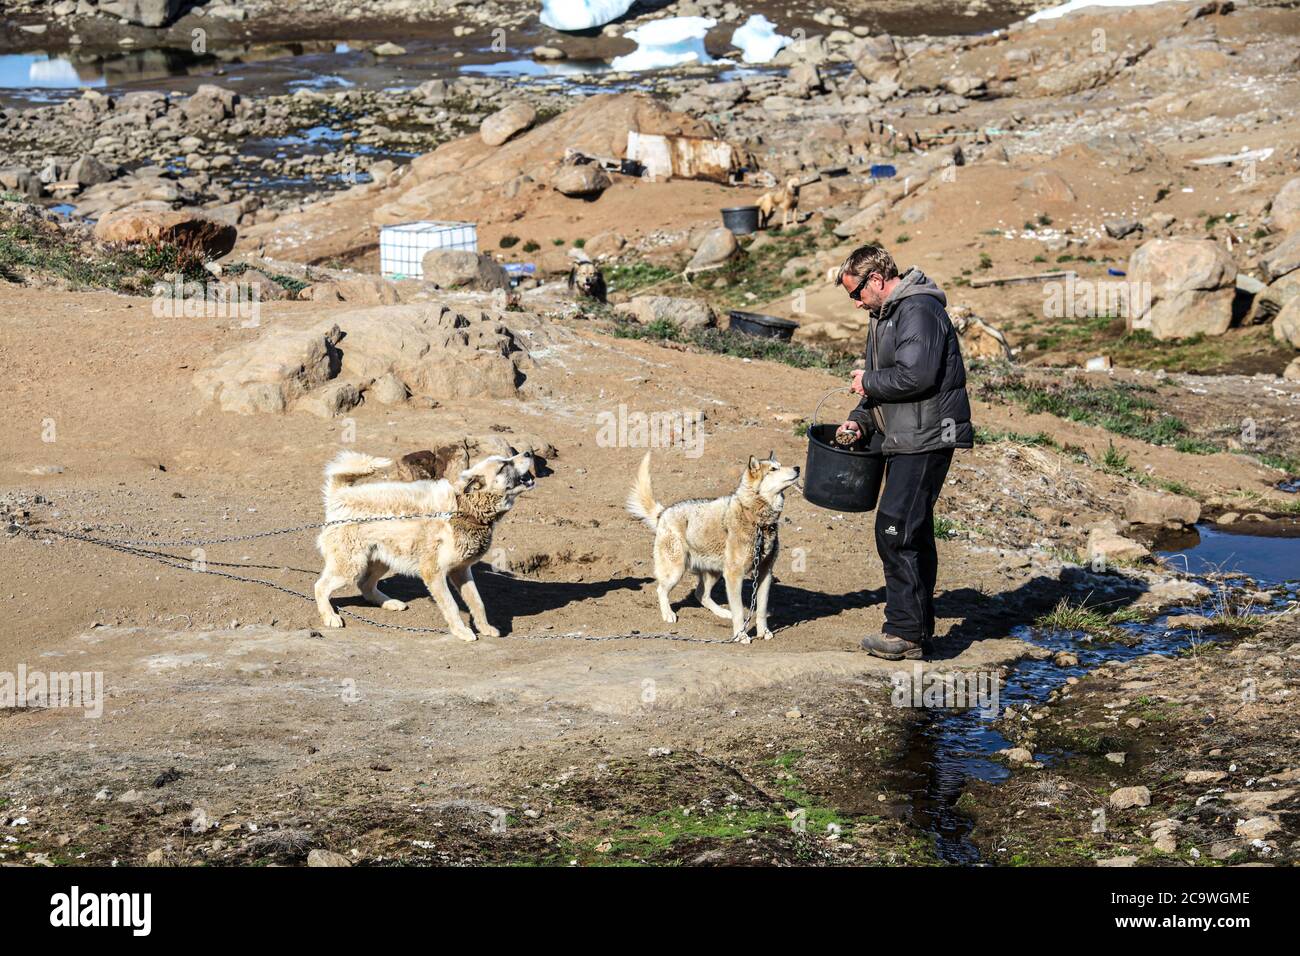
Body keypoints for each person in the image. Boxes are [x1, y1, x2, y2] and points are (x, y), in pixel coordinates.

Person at [834, 244, 973, 661]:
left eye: (856, 293)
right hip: (905, 435)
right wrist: (858, 418)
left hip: (927, 436)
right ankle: (916, 627)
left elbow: (916, 375)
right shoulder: (883, 315)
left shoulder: (917, 310)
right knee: (912, 528)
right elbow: (879, 384)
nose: (855, 302)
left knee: (895, 527)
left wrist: (869, 383)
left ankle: (905, 632)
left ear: (876, 280)